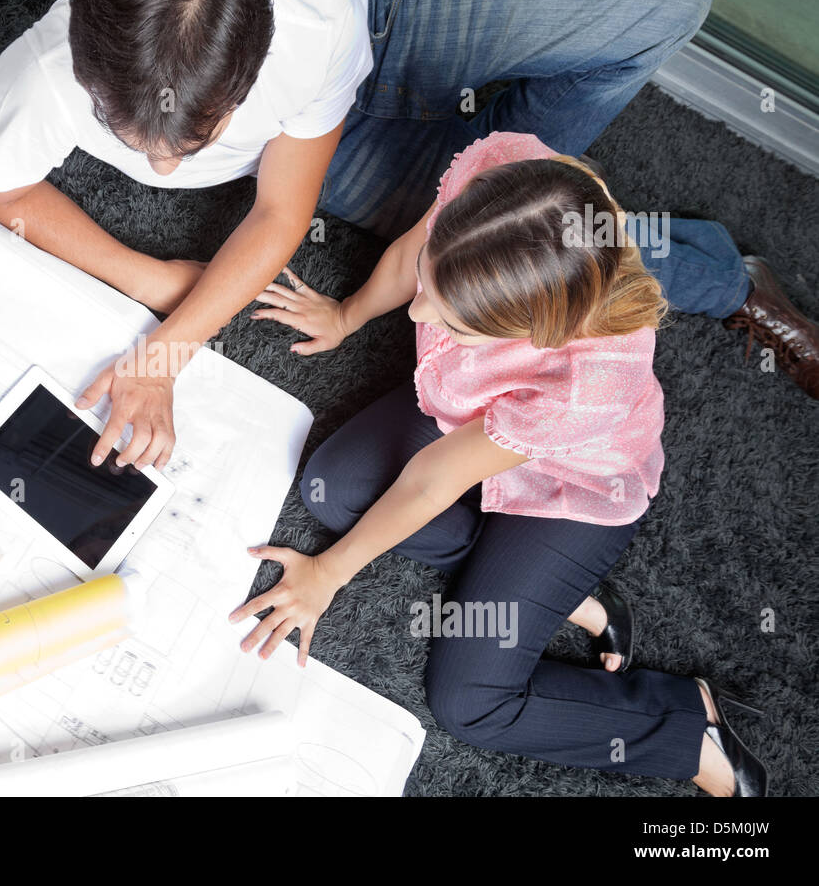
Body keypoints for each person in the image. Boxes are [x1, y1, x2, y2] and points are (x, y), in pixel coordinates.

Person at [0, 0, 819, 476]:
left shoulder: (308, 14)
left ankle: (514, 176)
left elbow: (278, 214)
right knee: (516, 250)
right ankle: (710, 271)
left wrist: (164, 354)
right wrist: (152, 277)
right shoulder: (38, 76)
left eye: (196, 135)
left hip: (386, 7)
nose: (162, 160)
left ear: (253, 68)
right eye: (136, 140)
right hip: (323, 153)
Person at [229, 131, 768, 796]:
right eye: (431, 284)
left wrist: (328, 573)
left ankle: (689, 727)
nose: (420, 312)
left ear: (534, 334)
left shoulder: (590, 380)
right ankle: (560, 595)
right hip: (466, 414)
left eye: (454, 323)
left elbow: (435, 478)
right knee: (328, 489)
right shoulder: (503, 175)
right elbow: (412, 254)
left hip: (570, 486)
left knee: (473, 704)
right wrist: (348, 313)